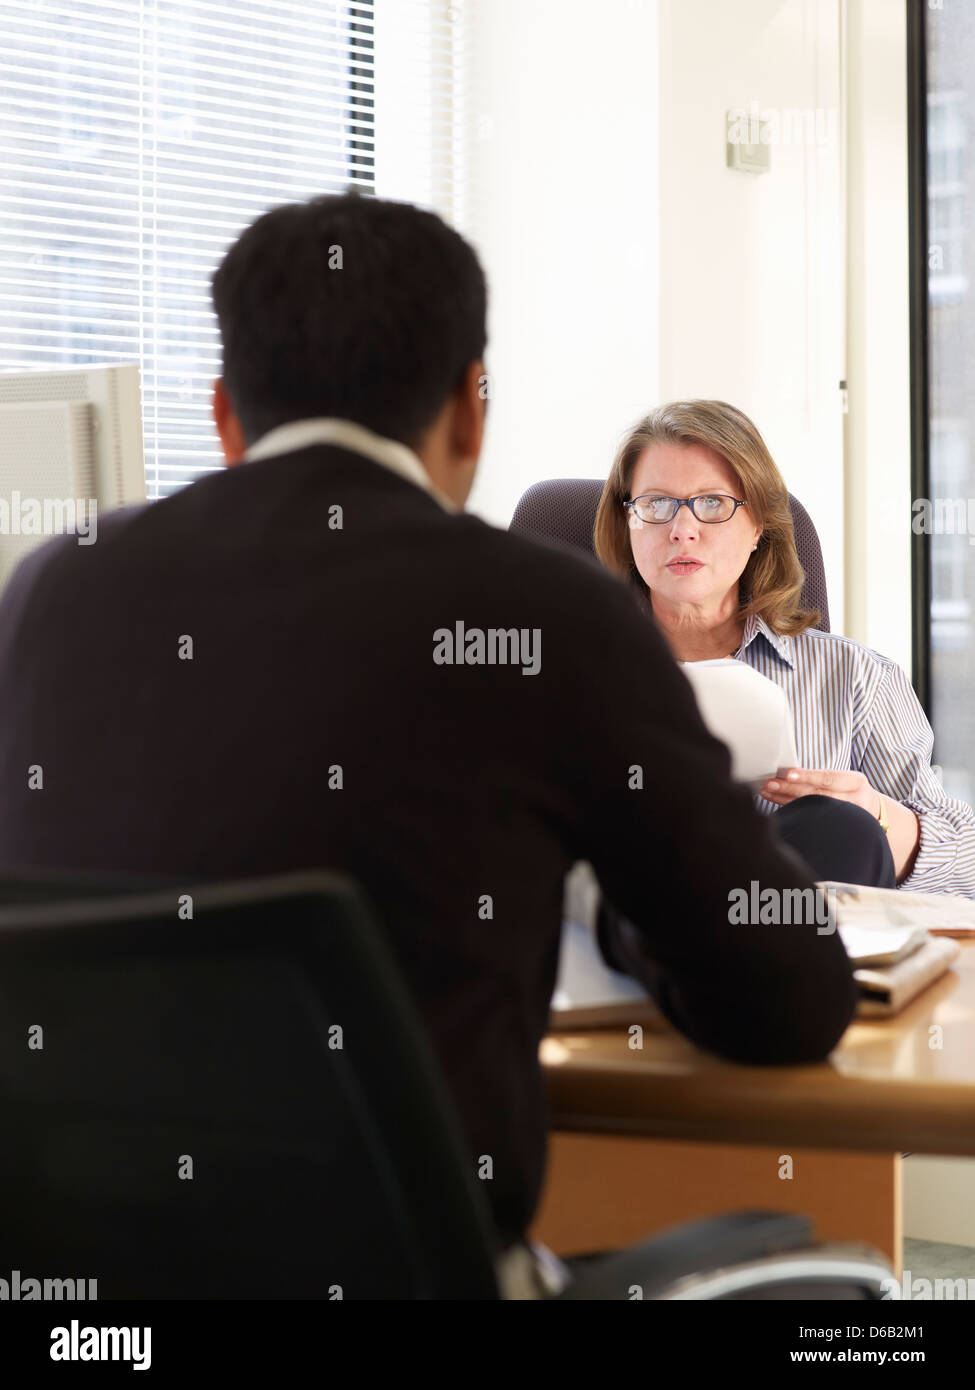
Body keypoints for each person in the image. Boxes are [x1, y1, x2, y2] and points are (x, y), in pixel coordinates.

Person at [0, 195, 856, 1297]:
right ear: (469, 413)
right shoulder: (546, 612)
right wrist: (621, 904)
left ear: (223, 416)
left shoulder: (47, 591)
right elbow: (789, 998)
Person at [594, 398, 975, 894]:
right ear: (628, 522)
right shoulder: (575, 671)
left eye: (712, 503)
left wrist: (880, 815)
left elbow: (967, 867)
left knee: (840, 829)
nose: (682, 529)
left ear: (758, 527)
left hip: (789, 937)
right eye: (656, 504)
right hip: (626, 924)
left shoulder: (854, 676)